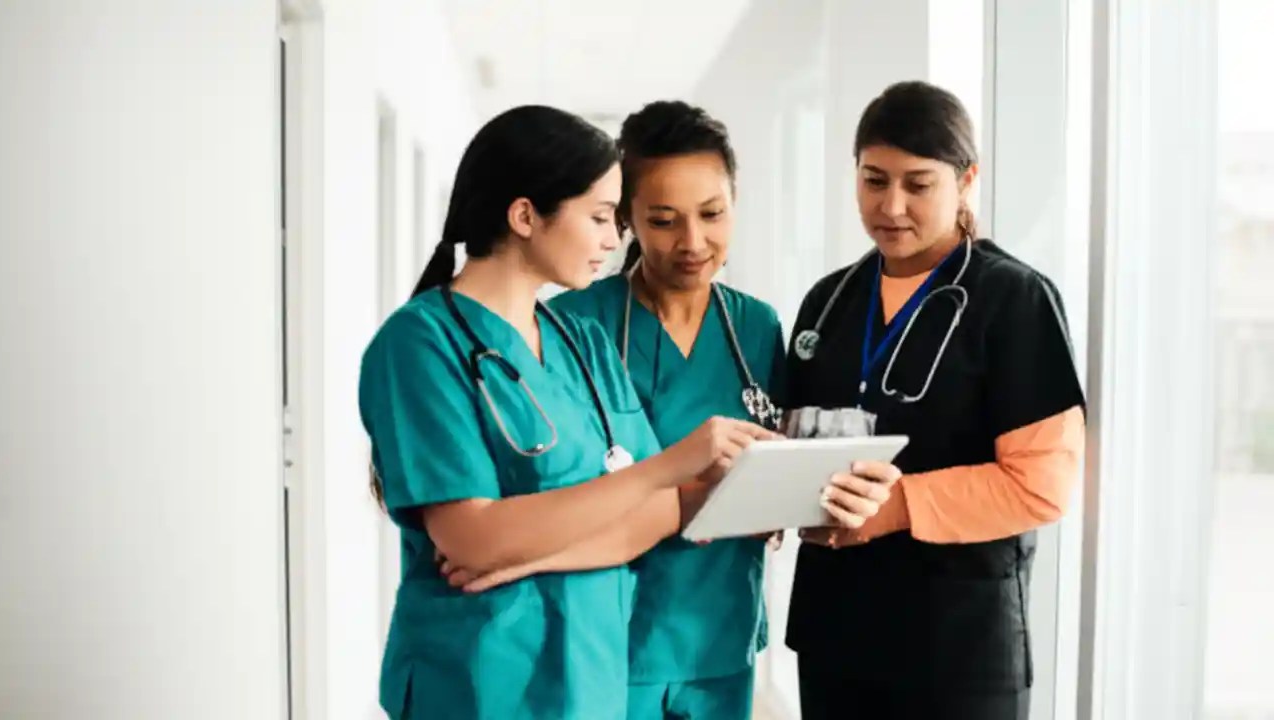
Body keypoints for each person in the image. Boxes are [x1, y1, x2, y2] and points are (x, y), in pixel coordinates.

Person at [357, 105, 780, 720]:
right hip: (484, 679)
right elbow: (470, 540)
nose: (615, 241)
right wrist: (666, 467)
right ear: (526, 215)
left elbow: (660, 514)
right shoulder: (420, 344)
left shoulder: (577, 344)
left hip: (590, 675)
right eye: (603, 217)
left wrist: (526, 550)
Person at [549, 100, 897, 720]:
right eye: (663, 220)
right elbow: (554, 491)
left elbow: (781, 460)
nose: (693, 243)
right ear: (626, 217)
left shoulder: (756, 326)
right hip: (609, 634)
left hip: (721, 632)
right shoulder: (576, 324)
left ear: (736, 202)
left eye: (712, 214)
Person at [785, 81, 1087, 720]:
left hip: (957, 649)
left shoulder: (1015, 300)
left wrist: (894, 508)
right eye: (874, 180)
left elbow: (1043, 486)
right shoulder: (829, 302)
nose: (891, 206)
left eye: (918, 184)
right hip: (836, 634)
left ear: (966, 179)